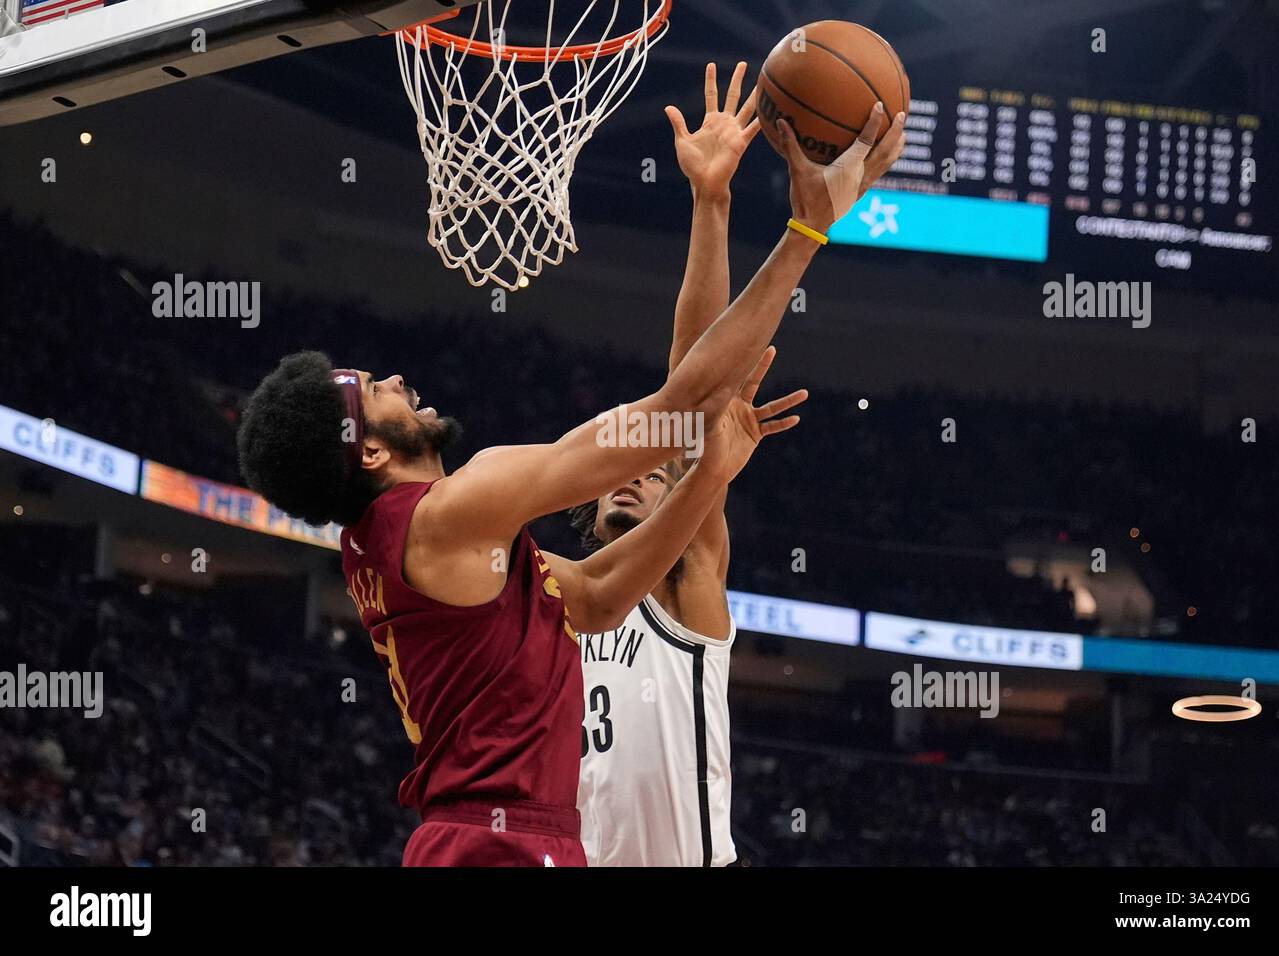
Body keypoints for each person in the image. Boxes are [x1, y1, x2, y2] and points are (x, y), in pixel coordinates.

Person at [235, 92, 904, 866]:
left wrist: (705, 474)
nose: (391, 377)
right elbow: (681, 407)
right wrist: (805, 231)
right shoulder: (458, 508)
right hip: (504, 840)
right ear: (372, 451)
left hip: (497, 837)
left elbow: (596, 595)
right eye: (371, 389)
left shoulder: (413, 551)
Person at [572, 64, 905, 866]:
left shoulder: (687, 580)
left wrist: (712, 204)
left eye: (655, 479)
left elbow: (693, 388)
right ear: (581, 509)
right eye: (626, 474)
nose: (635, 475)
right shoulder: (558, 601)